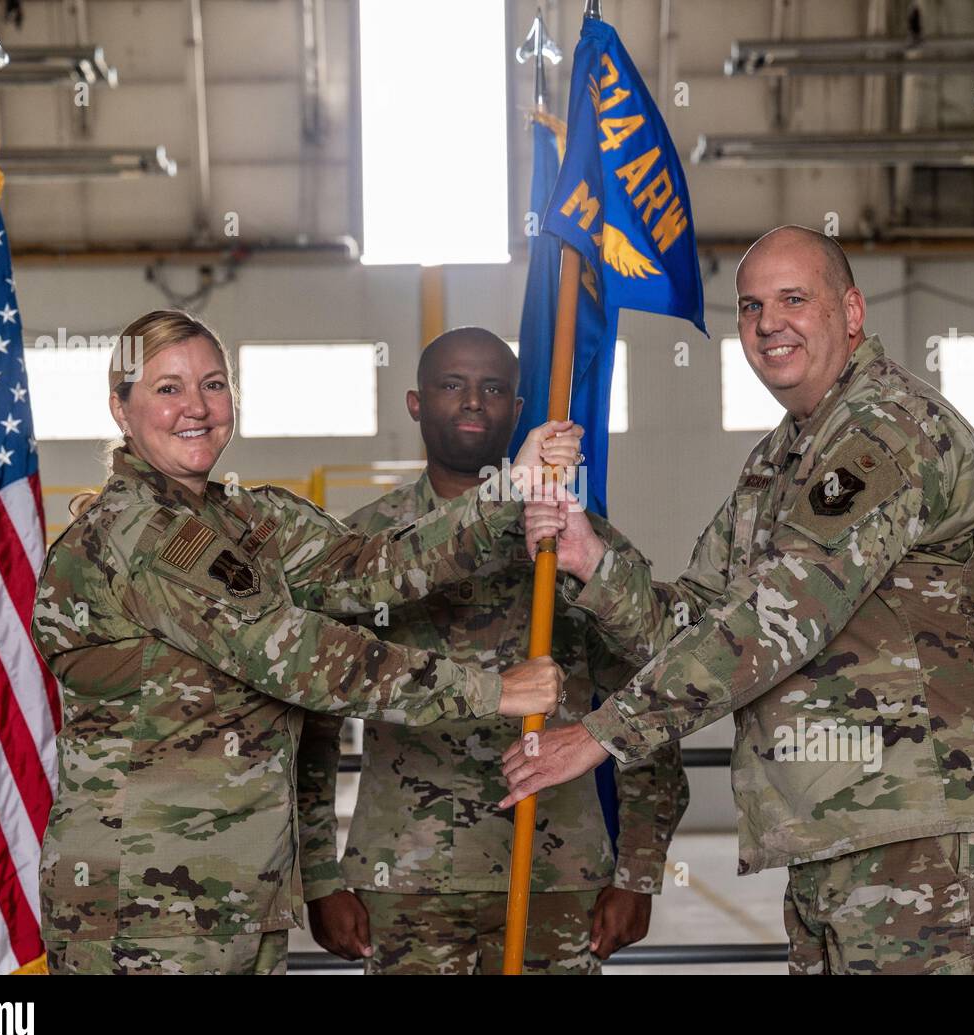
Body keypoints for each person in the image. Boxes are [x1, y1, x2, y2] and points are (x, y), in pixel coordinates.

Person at [503, 226, 974, 975]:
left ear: (851, 311)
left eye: (795, 298)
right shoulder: (782, 458)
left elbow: (780, 618)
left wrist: (603, 733)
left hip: (924, 835)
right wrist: (592, 559)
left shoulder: (884, 432)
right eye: (751, 305)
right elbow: (700, 617)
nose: (768, 323)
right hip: (835, 833)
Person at [31, 309, 578, 975]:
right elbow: (299, 655)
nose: (196, 407)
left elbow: (375, 564)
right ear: (121, 407)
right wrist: (495, 690)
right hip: (144, 908)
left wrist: (509, 488)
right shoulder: (137, 535)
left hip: (240, 894)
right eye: (167, 388)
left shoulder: (247, 519)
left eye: (213, 384)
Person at [297, 328, 688, 974]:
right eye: (452, 385)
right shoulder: (366, 547)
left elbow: (649, 696)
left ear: (518, 407)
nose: (473, 401)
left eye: (493, 388)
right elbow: (316, 716)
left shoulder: (573, 538)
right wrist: (319, 875)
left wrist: (639, 871)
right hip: (405, 876)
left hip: (554, 872)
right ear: (415, 403)